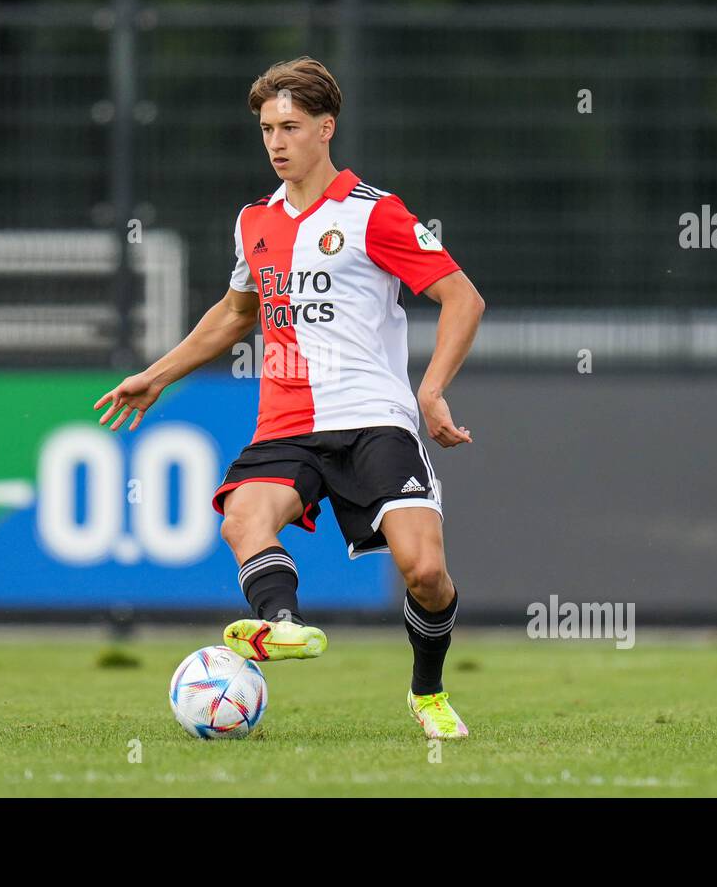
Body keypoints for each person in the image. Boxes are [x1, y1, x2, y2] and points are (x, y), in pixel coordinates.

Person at [95, 56, 485, 739]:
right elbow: (235, 312)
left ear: (326, 128)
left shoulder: (375, 214)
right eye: (268, 128)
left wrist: (431, 389)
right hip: (287, 421)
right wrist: (158, 373)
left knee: (425, 571)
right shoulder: (254, 221)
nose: (276, 142)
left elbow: (462, 296)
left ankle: (428, 692)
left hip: (373, 420)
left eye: (291, 126)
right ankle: (282, 625)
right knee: (244, 519)